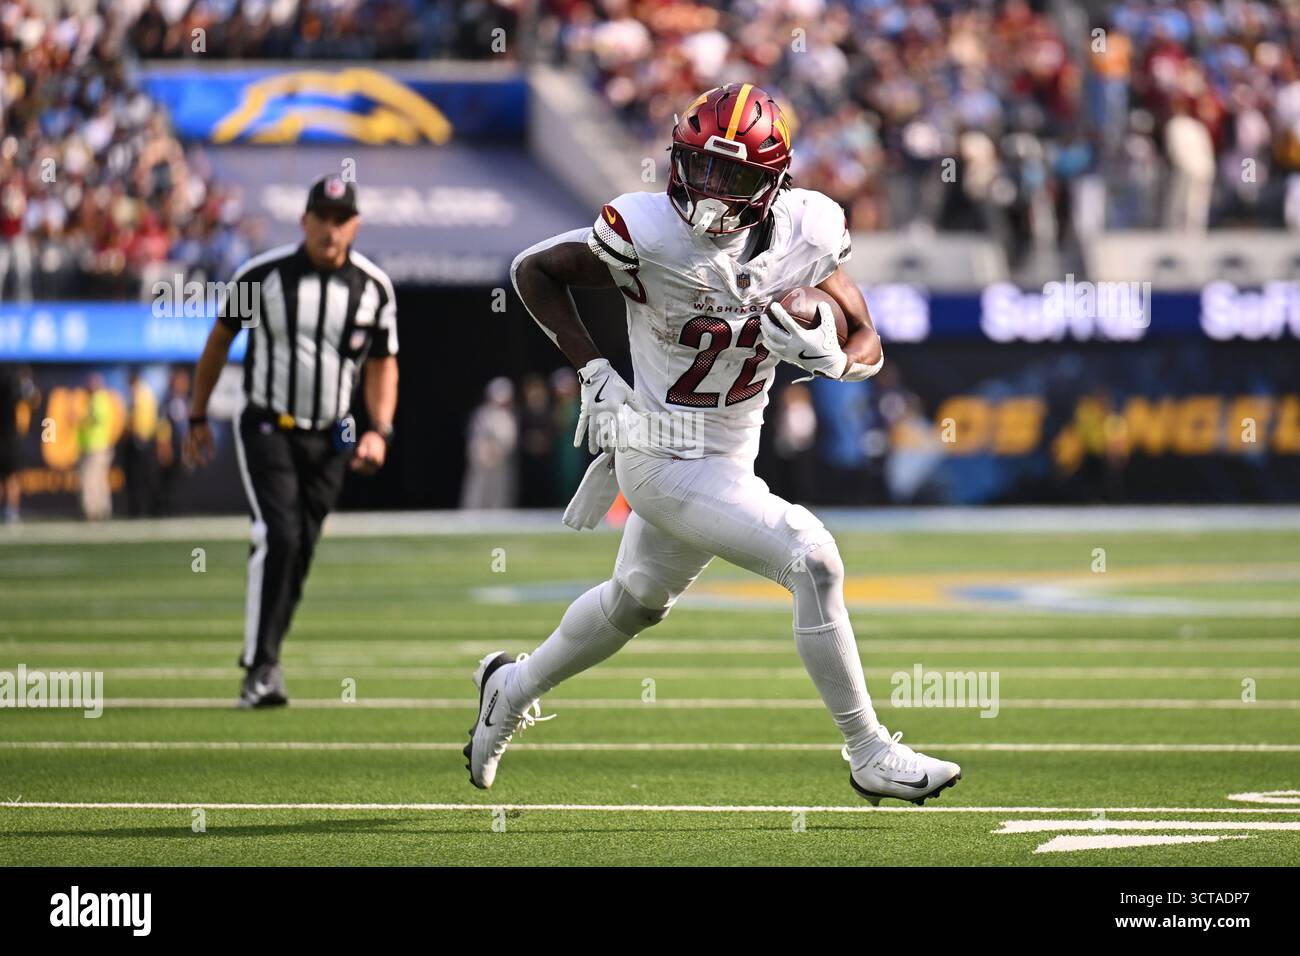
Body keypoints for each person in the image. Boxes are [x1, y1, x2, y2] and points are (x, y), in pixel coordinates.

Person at [479, 84, 961, 806]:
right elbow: (532, 270)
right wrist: (594, 370)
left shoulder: (809, 233)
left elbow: (869, 343)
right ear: (677, 161)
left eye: (732, 177)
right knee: (813, 557)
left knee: (637, 600)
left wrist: (831, 356)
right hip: (657, 452)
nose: (709, 190)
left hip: (730, 458)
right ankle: (868, 751)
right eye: (700, 167)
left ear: (772, 186)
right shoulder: (650, 232)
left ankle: (508, 689)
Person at [185, 175, 399, 708]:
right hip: (267, 426)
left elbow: (382, 362)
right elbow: (218, 341)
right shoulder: (262, 277)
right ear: (304, 220)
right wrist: (196, 415)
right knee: (278, 534)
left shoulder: (373, 288)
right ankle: (260, 668)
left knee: (301, 545)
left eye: (341, 218)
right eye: (322, 217)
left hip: (331, 435)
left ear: (354, 224)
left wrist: (379, 430)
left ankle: (268, 656)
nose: (331, 229)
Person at [76, 373, 114, 521]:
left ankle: (92, 511)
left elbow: (94, 419)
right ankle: (101, 509)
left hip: (95, 446)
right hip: (96, 445)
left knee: (90, 479)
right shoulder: (96, 399)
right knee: (99, 480)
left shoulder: (99, 399)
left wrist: (80, 420)